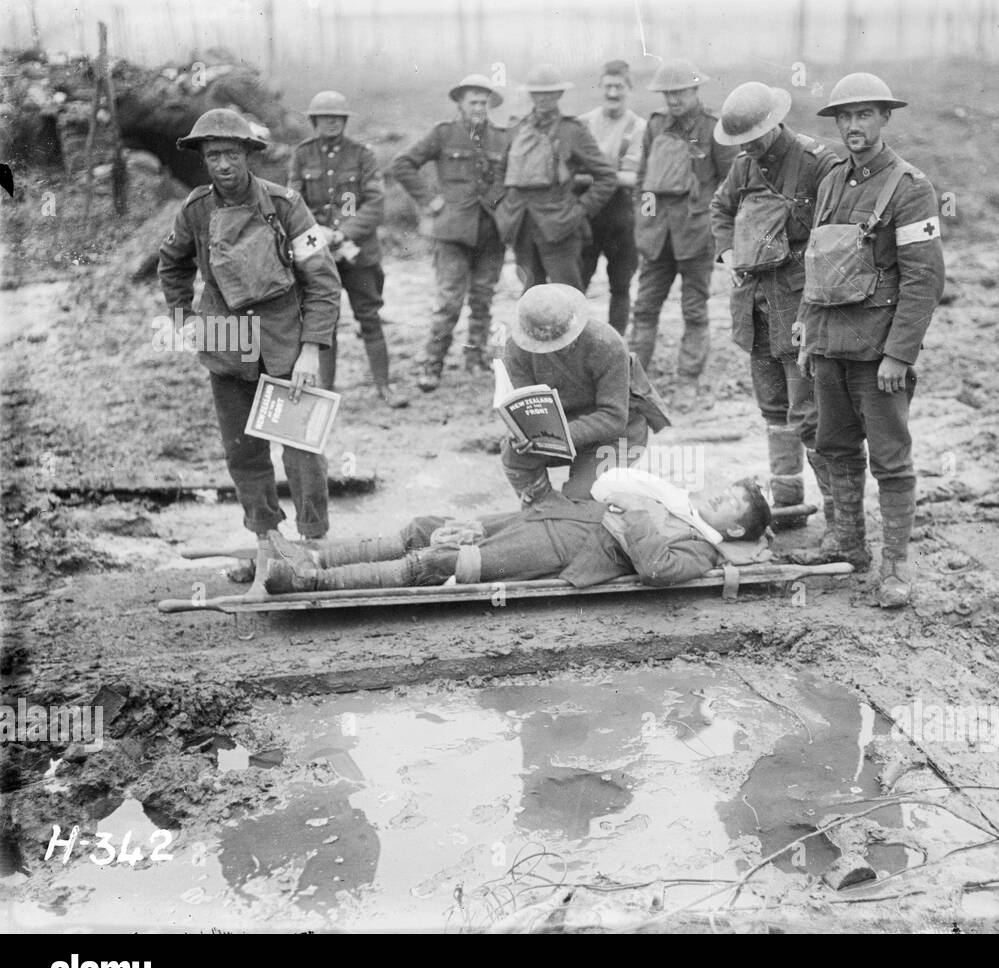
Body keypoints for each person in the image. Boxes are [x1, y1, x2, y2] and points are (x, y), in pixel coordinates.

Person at [793, 73, 945, 606]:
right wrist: (810, 337)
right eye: (844, 116)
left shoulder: (909, 187)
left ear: (884, 119)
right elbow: (821, 263)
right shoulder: (832, 181)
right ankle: (848, 544)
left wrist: (899, 354)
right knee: (833, 446)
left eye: (864, 115)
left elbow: (924, 279)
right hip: (830, 346)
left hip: (878, 354)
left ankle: (896, 569)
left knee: (891, 460)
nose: (852, 126)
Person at [158, 108, 340, 542]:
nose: (223, 164)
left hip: (285, 339)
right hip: (227, 338)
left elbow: (323, 281)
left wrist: (311, 349)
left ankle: (314, 538)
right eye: (214, 155)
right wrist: (183, 318)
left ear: (248, 155)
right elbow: (172, 263)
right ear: (204, 158)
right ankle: (266, 539)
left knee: (301, 446)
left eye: (232, 154)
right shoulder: (196, 210)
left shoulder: (286, 205)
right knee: (243, 450)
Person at [261, 467, 771, 593]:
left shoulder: (702, 550)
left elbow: (657, 569)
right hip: (554, 518)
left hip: (567, 550)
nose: (718, 495)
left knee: (444, 562)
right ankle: (316, 557)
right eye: (726, 489)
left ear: (736, 527)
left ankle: (311, 583)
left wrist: (635, 508)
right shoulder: (681, 503)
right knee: (433, 527)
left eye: (730, 502)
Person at [710, 81, 841, 521]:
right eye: (739, 142)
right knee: (773, 410)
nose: (746, 148)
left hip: (800, 304)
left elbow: (839, 235)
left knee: (809, 414)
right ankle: (789, 503)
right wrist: (729, 252)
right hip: (755, 306)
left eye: (752, 138)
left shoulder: (816, 162)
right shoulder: (745, 165)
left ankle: (842, 518)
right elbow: (721, 208)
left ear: (774, 124)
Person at [388, 73, 510, 391]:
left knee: (483, 298)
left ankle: (475, 359)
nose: (479, 108)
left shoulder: (502, 137)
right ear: (460, 103)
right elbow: (402, 163)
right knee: (449, 302)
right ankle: (432, 363)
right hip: (453, 232)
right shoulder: (443, 134)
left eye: (484, 102)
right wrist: (430, 200)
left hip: (491, 231)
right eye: (473, 102)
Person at [289, 90, 407, 408]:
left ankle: (384, 386)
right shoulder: (302, 155)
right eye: (325, 117)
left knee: (369, 316)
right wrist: (319, 232)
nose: (332, 122)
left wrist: (341, 233)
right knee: (323, 319)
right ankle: (327, 389)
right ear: (314, 121)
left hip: (358, 251)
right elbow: (293, 203)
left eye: (338, 118)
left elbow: (374, 201)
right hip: (317, 252)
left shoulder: (362, 154)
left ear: (345, 121)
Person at [499, 283, 669, 504]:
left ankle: (568, 517)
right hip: (561, 428)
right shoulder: (517, 348)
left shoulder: (606, 343)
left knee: (580, 502)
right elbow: (529, 407)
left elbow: (614, 417)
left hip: (615, 436)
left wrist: (560, 435)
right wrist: (523, 434)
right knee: (514, 455)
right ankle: (541, 511)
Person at [628, 59, 737, 395]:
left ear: (695, 90)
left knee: (694, 309)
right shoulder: (656, 125)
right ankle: (632, 379)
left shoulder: (712, 128)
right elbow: (643, 181)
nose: (673, 100)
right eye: (668, 94)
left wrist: (708, 220)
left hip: (695, 235)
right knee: (644, 307)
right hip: (657, 236)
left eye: (680, 93)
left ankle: (688, 379)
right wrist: (644, 217)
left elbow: (730, 183)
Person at [493, 65, 618, 291]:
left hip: (561, 224)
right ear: (530, 95)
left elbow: (606, 176)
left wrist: (581, 209)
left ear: (559, 95)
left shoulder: (572, 131)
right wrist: (503, 206)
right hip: (522, 223)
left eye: (549, 93)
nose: (543, 98)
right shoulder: (518, 128)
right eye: (537, 93)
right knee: (532, 294)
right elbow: (501, 171)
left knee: (568, 295)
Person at [577, 59, 646, 336]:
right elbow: (571, 173)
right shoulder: (584, 123)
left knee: (621, 285)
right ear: (600, 87)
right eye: (608, 86)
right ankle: (575, 342)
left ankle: (616, 344)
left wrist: (598, 175)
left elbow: (635, 178)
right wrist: (611, 175)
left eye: (620, 86)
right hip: (587, 216)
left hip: (621, 218)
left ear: (629, 89)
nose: (613, 93)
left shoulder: (639, 127)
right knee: (577, 283)